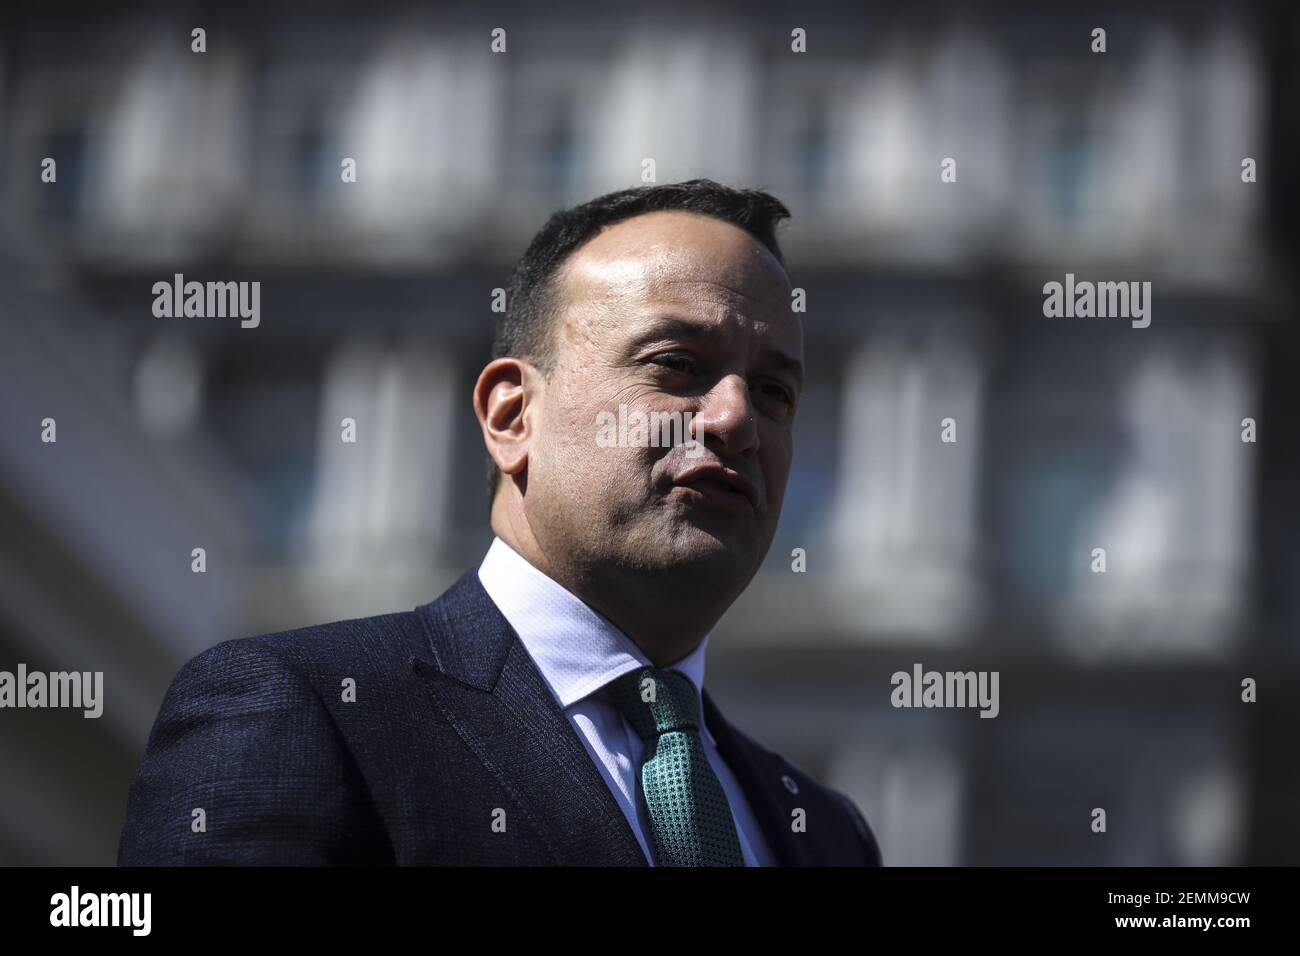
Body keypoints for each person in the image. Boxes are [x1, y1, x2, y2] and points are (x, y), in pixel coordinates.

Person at [116, 179, 882, 866]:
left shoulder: (826, 835)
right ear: (513, 415)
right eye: (676, 365)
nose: (736, 418)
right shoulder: (299, 711)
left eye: (775, 394)